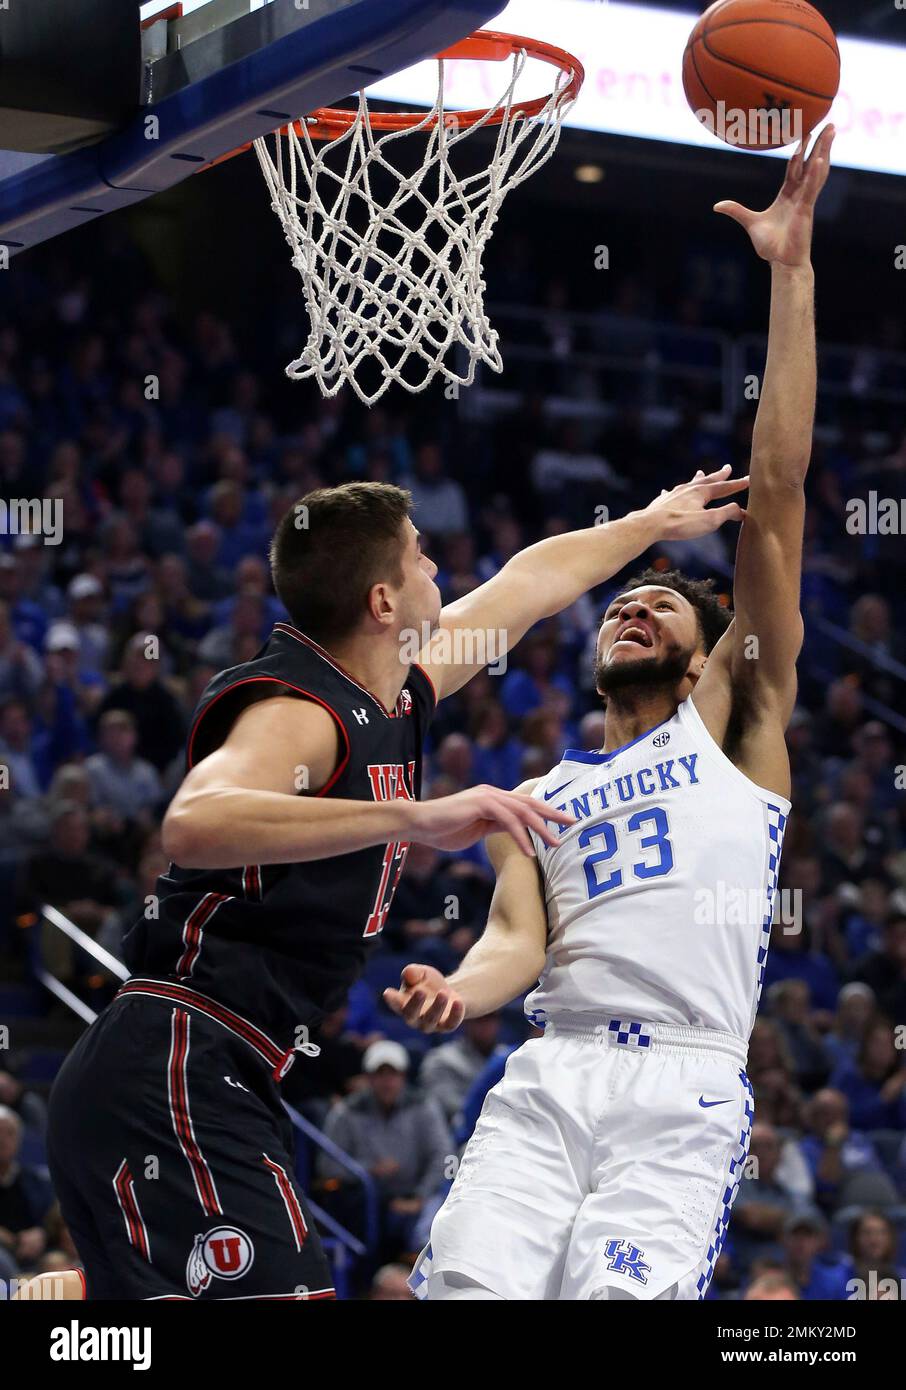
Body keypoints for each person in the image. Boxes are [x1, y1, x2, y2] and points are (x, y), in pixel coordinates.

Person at [46, 468, 744, 1301]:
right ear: (383, 603)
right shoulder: (305, 709)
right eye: (421, 559)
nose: (440, 574)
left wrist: (648, 522)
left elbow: (528, 587)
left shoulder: (394, 695)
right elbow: (198, 819)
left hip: (211, 1070)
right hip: (174, 1061)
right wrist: (417, 817)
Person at [391, 130, 838, 1301]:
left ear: (704, 663)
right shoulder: (534, 798)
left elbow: (778, 494)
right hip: (550, 1070)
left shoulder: (734, 728)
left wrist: (789, 276)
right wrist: (459, 991)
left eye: (660, 606)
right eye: (622, 599)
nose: (632, 604)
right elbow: (514, 945)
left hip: (680, 1084)